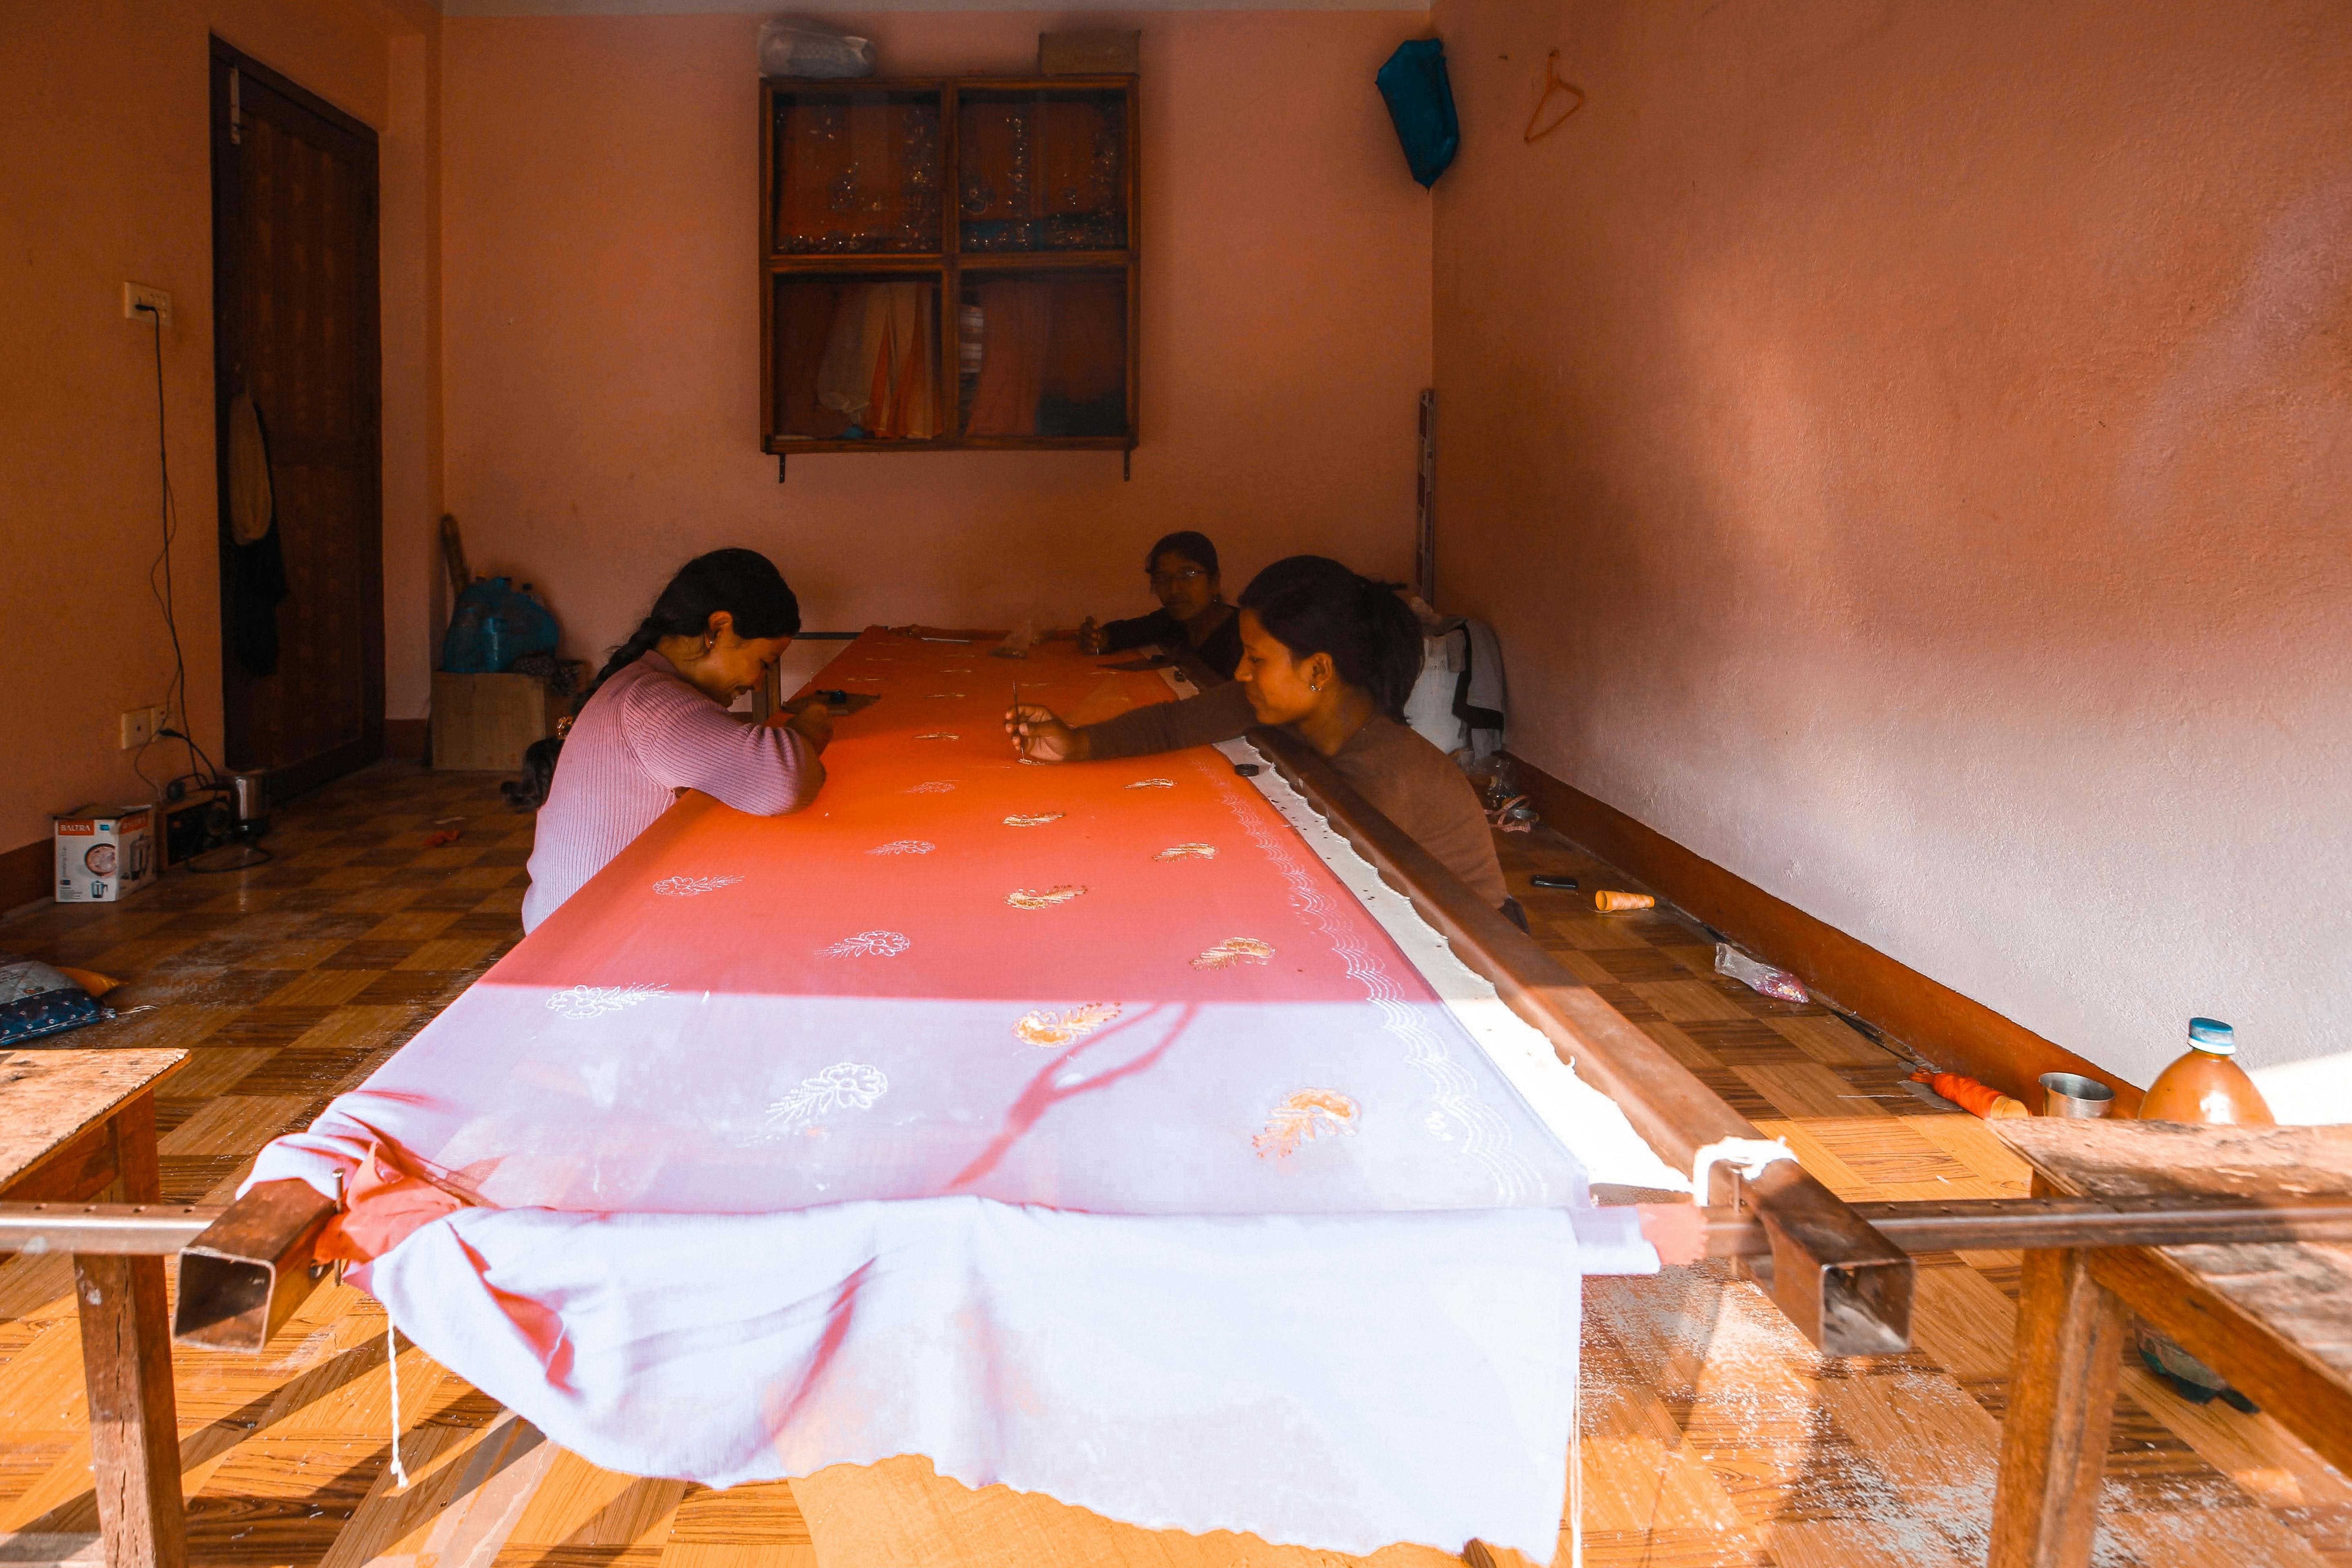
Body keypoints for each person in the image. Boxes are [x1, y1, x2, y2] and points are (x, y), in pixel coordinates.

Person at [1009, 556, 1525, 927]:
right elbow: (1170, 725)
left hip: (1474, 951)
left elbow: (1311, 903)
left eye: (1256, 660)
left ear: (1318, 670)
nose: (1240, 672)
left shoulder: (1382, 777)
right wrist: (1076, 744)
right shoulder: (1281, 708)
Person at [515, 548, 831, 933]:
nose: (758, 683)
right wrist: (812, 727)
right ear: (718, 628)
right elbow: (782, 782)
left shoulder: (641, 683)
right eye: (764, 663)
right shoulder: (651, 702)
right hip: (587, 949)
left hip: (573, 929)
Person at [1076, 530, 1243, 679]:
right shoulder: (1174, 621)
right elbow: (1130, 632)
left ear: (1215, 582)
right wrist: (1099, 639)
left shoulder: (1243, 635)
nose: (1174, 589)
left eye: (1188, 574)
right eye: (1162, 578)